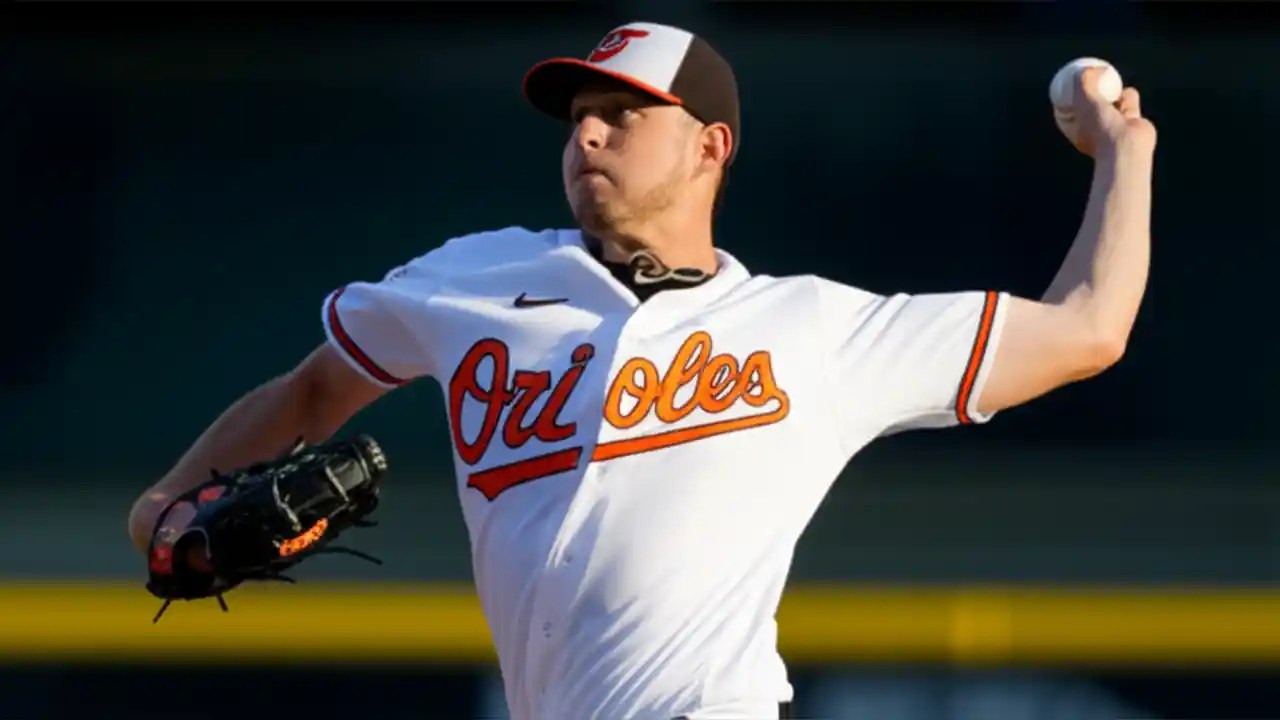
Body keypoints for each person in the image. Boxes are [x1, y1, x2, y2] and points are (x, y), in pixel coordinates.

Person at [127, 20, 1156, 720]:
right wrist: (164, 506)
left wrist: (1124, 154)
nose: (586, 130)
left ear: (709, 146)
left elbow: (1086, 327)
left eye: (623, 114)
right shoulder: (475, 278)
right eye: (579, 112)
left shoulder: (808, 330)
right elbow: (315, 391)